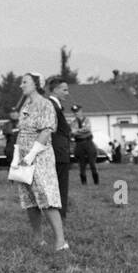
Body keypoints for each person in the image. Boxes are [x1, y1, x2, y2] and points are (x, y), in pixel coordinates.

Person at [12, 73, 67, 251]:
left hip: (40, 157)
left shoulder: (45, 104)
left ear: (36, 84)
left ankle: (60, 242)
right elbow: (21, 131)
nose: (21, 85)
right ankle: (38, 239)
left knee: (46, 196)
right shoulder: (26, 105)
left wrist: (31, 156)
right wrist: (18, 157)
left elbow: (45, 132)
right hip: (24, 156)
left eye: (25, 82)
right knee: (30, 199)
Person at [47, 78, 73, 218]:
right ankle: (59, 215)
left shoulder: (55, 105)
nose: (67, 93)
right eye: (64, 89)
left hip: (58, 150)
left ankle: (57, 213)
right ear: (55, 90)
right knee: (60, 185)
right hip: (58, 151)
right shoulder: (52, 106)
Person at [71, 104, 98, 185]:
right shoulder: (73, 122)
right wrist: (81, 131)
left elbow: (87, 129)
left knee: (92, 163)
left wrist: (78, 131)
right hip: (79, 144)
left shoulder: (87, 120)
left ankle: (96, 182)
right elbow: (73, 132)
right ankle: (84, 183)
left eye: (77, 111)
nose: (76, 113)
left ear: (81, 111)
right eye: (74, 112)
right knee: (81, 165)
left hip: (88, 142)